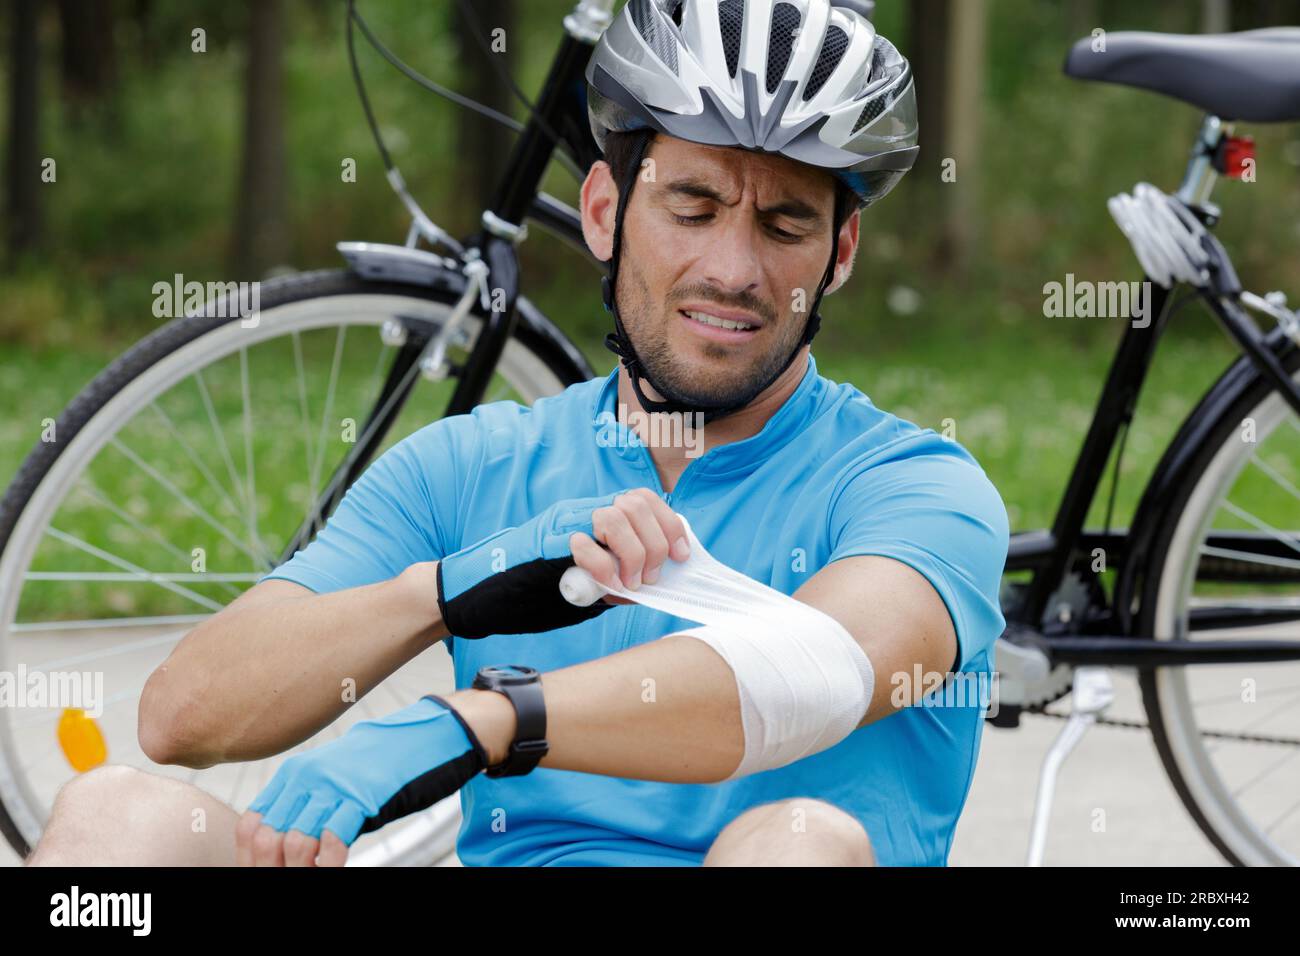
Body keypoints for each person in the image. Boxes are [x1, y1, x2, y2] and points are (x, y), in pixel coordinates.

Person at [28, 0, 1007, 868]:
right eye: (692, 206)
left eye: (784, 225)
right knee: (116, 815)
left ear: (837, 253)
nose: (734, 267)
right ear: (602, 210)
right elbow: (181, 715)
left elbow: (818, 669)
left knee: (797, 842)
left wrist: (485, 717)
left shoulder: (916, 487)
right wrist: (448, 589)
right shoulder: (472, 463)